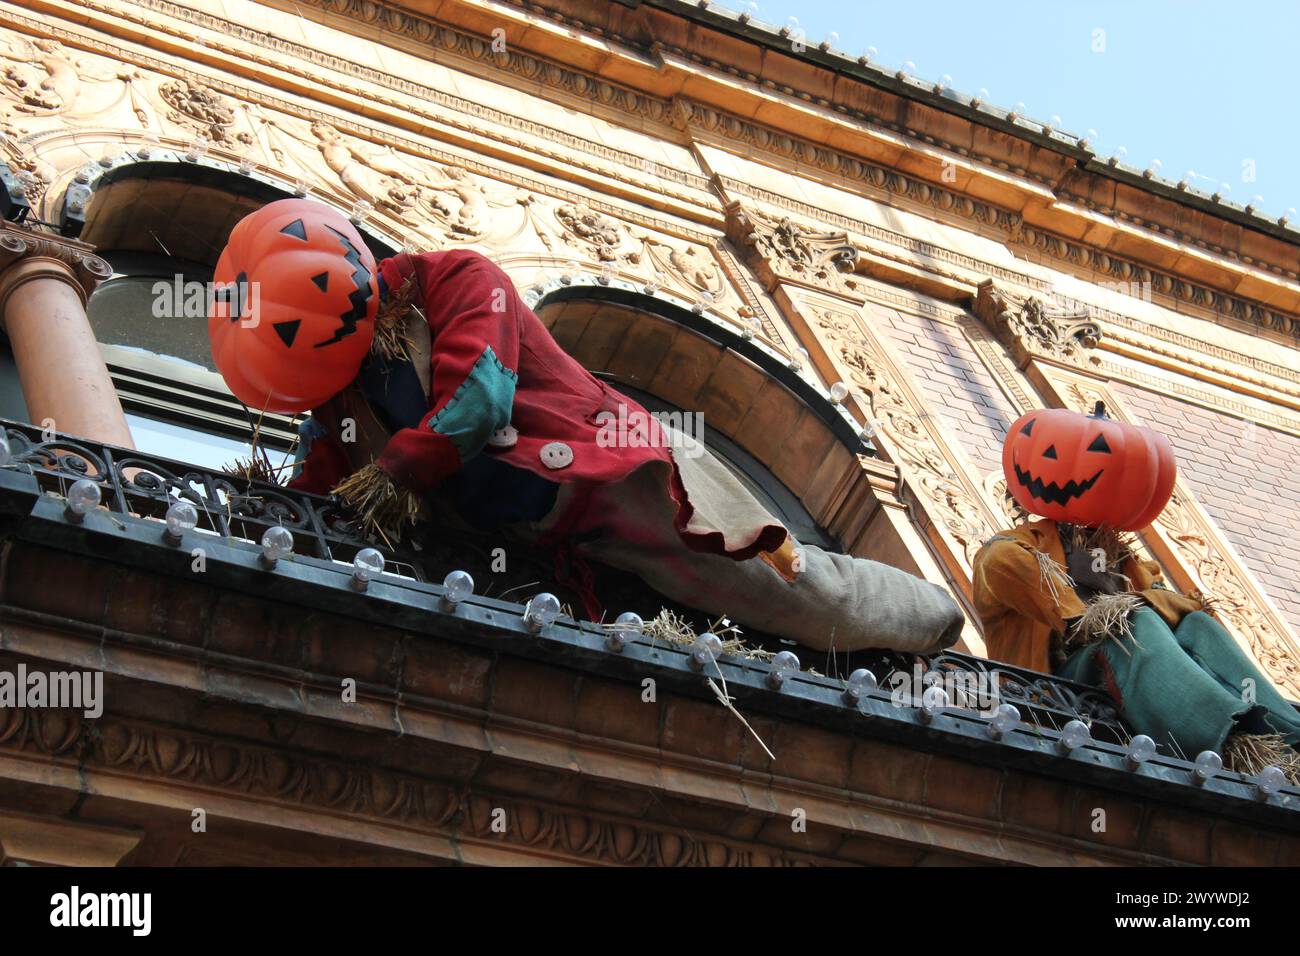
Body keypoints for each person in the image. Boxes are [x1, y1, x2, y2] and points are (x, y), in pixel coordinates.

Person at [214, 200, 965, 654]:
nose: (311, 316)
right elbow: (323, 492)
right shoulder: (339, 408)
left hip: (620, 480)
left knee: (789, 597)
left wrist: (391, 476)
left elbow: (480, 396)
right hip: (555, 546)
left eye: (313, 291)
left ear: (344, 264)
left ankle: (931, 618)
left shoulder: (453, 281)